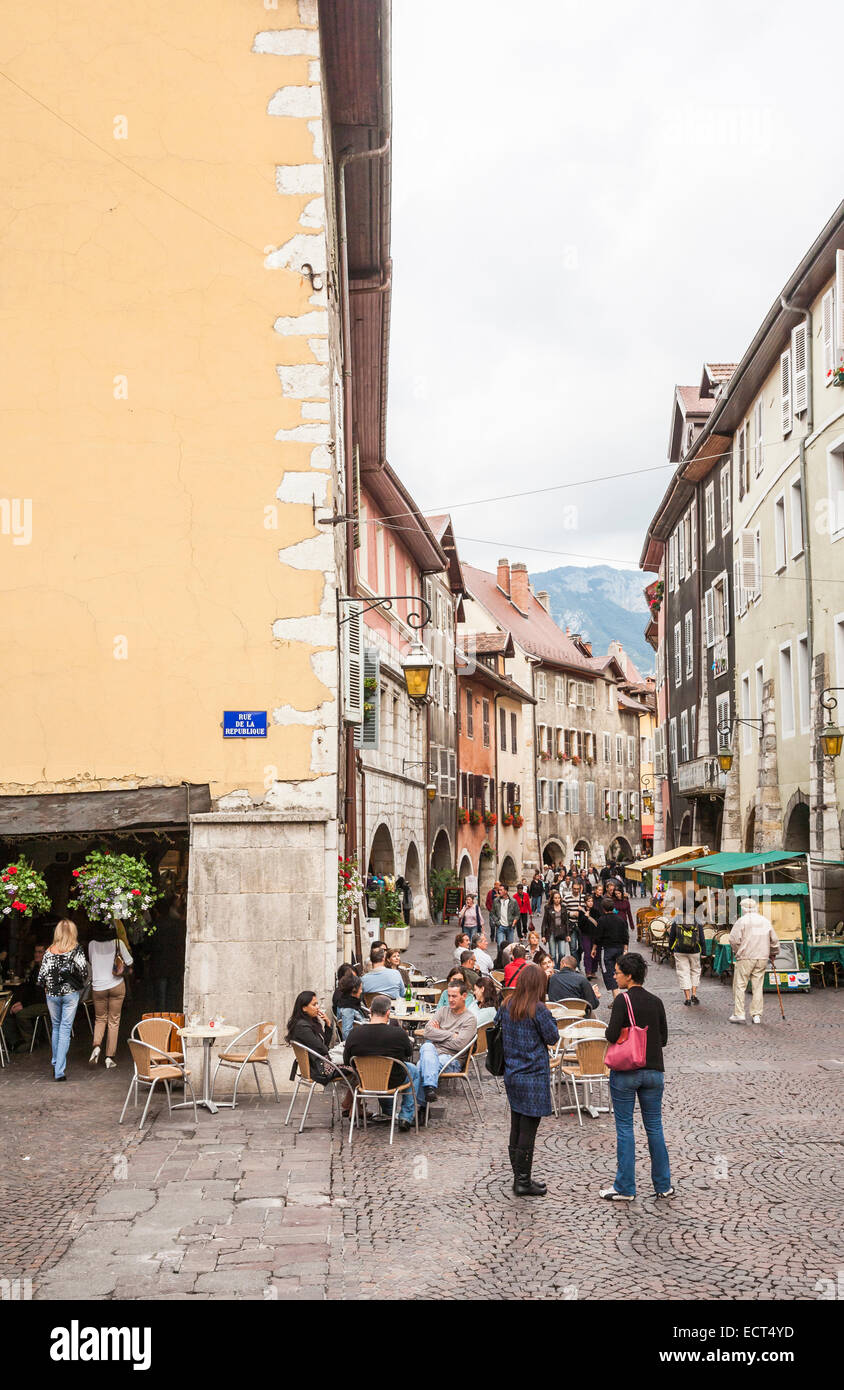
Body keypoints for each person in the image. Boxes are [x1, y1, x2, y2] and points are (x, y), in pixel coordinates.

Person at [600, 952, 672, 1201]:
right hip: (654, 1071)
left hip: (626, 1072)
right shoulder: (656, 1001)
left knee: (625, 1128)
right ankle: (663, 1185)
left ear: (629, 976)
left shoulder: (622, 1000)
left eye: (617, 972)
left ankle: (625, 1187)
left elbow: (610, 1035)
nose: (614, 975)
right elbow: (662, 1039)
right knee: (655, 1128)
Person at [496, 962, 559, 1197]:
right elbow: (552, 1037)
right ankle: (522, 1181)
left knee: (517, 1125)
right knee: (528, 1130)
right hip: (533, 1075)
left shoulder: (506, 1005)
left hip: (513, 1072)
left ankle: (520, 1177)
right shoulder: (538, 1009)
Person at [343, 994, 421, 1133]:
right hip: (393, 1080)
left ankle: (389, 1111)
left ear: (370, 1011)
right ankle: (405, 1116)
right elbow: (409, 1053)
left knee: (381, 1072)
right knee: (413, 1070)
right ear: (388, 1013)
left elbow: (346, 1059)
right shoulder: (398, 1034)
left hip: (365, 1080)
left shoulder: (355, 1033)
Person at [286, 990, 356, 1115]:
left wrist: (328, 1025)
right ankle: (353, 1106)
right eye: (314, 1004)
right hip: (320, 1069)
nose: (317, 1007)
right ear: (304, 1008)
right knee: (358, 1069)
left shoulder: (309, 1023)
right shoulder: (302, 1027)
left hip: (320, 1062)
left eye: (317, 1003)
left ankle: (351, 1105)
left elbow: (324, 1046)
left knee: (356, 1065)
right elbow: (323, 1049)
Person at [36, 920, 88, 1081]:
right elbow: (84, 972)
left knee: (56, 1028)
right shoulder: (76, 950)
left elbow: (41, 976)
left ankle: (55, 1063)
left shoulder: (49, 951)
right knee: (65, 1029)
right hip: (70, 993)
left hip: (52, 994)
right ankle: (59, 1070)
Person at [417, 977, 477, 1106]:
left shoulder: (469, 1019)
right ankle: (429, 1088)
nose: (450, 1000)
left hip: (452, 1059)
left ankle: (419, 1109)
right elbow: (427, 1031)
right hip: (433, 1052)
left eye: (454, 996)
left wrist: (438, 1036)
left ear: (464, 996)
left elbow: (459, 1044)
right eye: (449, 996)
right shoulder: (443, 1010)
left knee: (420, 1067)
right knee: (427, 1046)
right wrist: (451, 1035)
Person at [87, 923, 133, 1068]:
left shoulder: (92, 944)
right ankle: (109, 1057)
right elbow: (130, 961)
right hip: (116, 985)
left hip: (98, 986)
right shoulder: (117, 943)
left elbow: (91, 960)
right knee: (114, 1021)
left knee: (100, 1019)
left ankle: (96, 1046)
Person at [729, 897, 779, 1025]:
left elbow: (733, 940)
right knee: (758, 986)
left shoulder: (742, 921)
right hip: (762, 957)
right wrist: (773, 953)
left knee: (740, 985)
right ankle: (756, 1014)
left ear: (744, 909)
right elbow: (774, 940)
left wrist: (737, 951)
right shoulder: (764, 921)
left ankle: (739, 1013)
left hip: (745, 957)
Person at [3, 943, 48, 1051]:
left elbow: (41, 994)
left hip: (46, 1003)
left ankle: (31, 1041)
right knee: (6, 1010)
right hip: (33, 1001)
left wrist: (23, 1004)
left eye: (40, 952)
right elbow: (29, 989)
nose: (36, 954)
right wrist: (18, 1002)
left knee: (21, 1014)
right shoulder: (35, 969)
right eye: (35, 952)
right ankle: (15, 1041)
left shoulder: (48, 970)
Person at [668, 917, 706, 1007]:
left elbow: (671, 937)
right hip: (695, 950)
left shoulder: (676, 921)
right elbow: (702, 938)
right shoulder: (697, 921)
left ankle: (688, 998)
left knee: (683, 973)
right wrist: (704, 952)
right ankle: (694, 994)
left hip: (679, 950)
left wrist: (671, 949)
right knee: (695, 971)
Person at [594, 903, 629, 996]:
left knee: (609, 973)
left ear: (603, 909)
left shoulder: (601, 920)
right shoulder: (620, 919)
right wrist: (625, 949)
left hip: (607, 949)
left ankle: (617, 997)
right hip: (619, 949)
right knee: (619, 970)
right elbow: (625, 935)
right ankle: (618, 996)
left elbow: (598, 937)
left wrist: (594, 948)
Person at [334, 972, 367, 1038]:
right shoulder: (347, 1009)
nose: (361, 991)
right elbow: (347, 1033)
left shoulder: (347, 1002)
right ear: (354, 989)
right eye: (360, 989)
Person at [490, 886, 519, 958]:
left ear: (506, 891)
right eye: (499, 890)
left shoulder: (513, 901)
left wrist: (514, 922)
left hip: (510, 927)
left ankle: (509, 961)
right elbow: (492, 913)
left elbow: (517, 914)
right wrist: (497, 922)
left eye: (501, 890)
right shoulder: (496, 900)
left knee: (510, 946)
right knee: (500, 945)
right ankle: (500, 961)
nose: (499, 891)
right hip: (500, 927)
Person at [542, 890, 569, 967]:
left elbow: (566, 922)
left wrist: (568, 934)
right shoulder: (548, 908)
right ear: (553, 899)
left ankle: (559, 966)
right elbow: (545, 922)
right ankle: (554, 969)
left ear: (560, 899)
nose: (557, 900)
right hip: (551, 932)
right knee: (552, 954)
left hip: (562, 931)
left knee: (562, 953)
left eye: (558, 898)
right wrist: (543, 935)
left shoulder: (564, 908)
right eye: (555, 898)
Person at [578, 893, 600, 978]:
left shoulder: (596, 911)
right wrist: (585, 917)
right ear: (585, 902)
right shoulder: (581, 912)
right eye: (589, 901)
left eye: (592, 901)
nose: (590, 903)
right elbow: (580, 924)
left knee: (596, 953)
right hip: (585, 934)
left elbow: (598, 923)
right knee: (587, 952)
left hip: (595, 935)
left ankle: (594, 970)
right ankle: (588, 971)